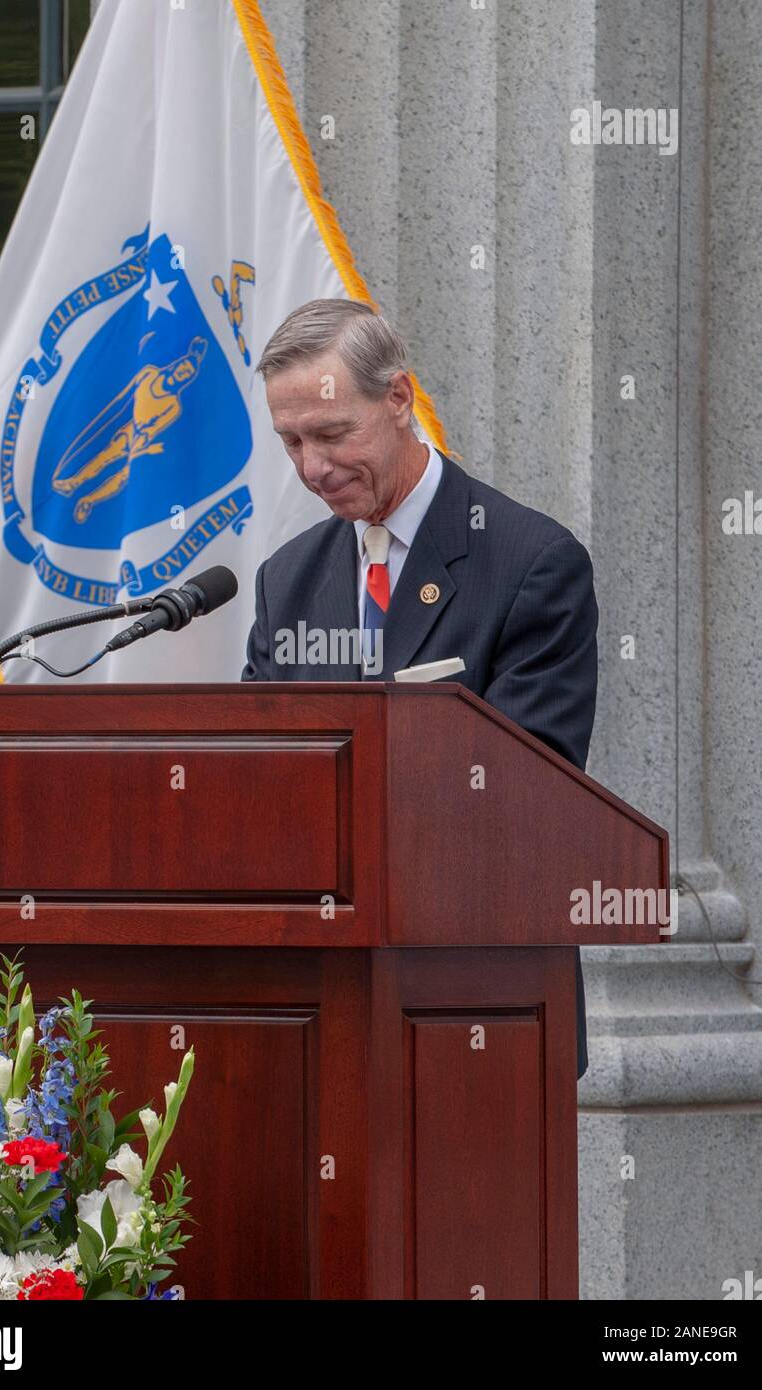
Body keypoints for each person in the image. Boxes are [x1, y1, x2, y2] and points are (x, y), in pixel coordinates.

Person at [241, 298, 598, 1078]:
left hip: (481, 1008)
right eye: (291, 442)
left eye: (333, 435)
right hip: (318, 1011)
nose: (312, 468)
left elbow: (518, 790)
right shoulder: (287, 581)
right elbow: (257, 777)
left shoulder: (532, 563)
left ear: (398, 399)